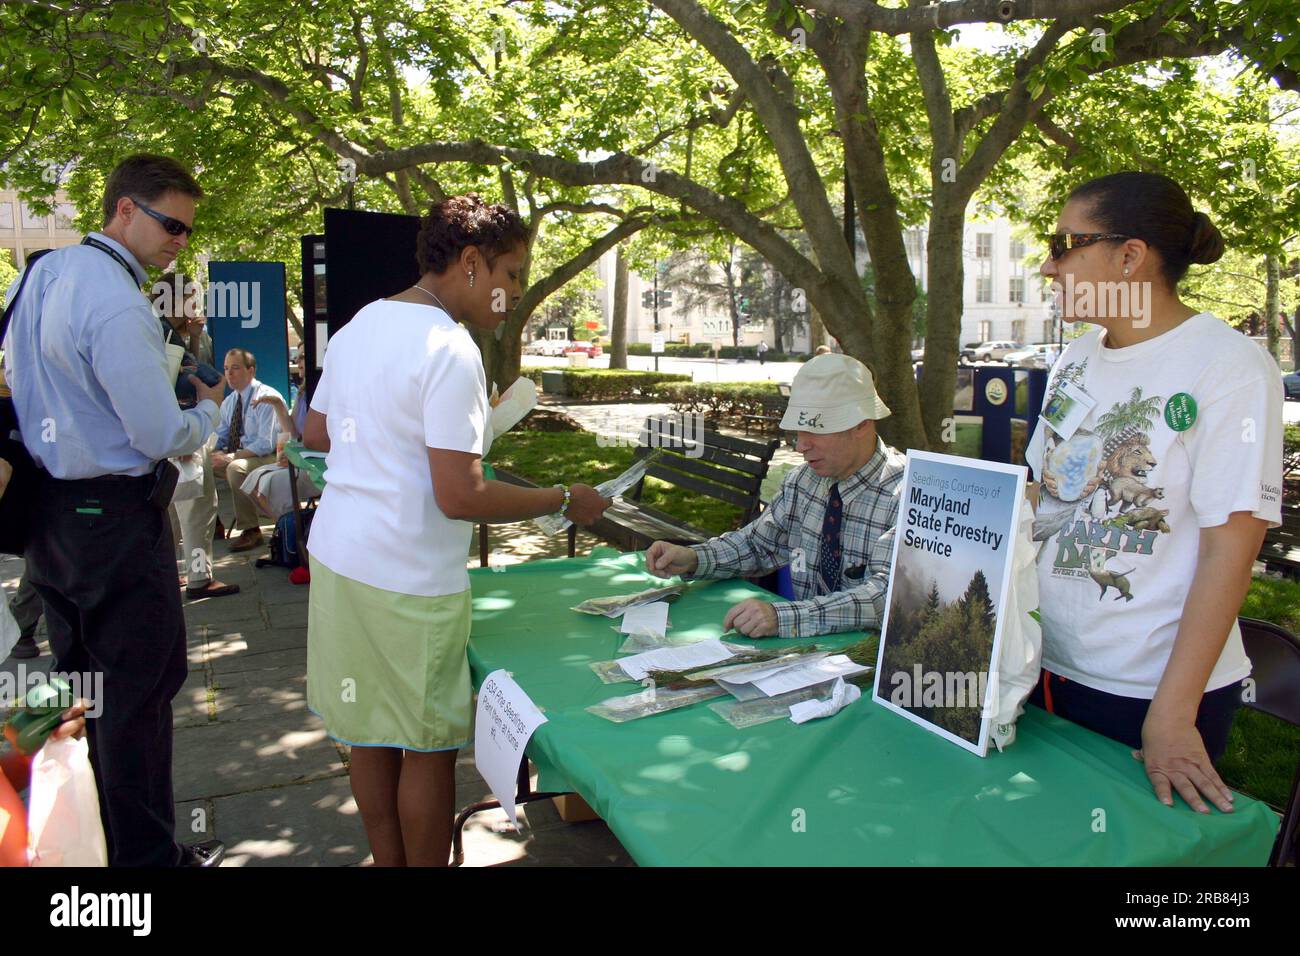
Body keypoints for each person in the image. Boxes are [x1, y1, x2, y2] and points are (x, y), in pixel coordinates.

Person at [303, 194, 612, 866]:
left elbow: (318, 431)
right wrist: (564, 498)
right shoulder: (451, 347)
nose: (514, 294)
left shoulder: (361, 323)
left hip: (337, 556)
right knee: (425, 744)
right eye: (512, 275)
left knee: (368, 734)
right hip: (407, 578)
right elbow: (459, 495)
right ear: (471, 263)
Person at [1027, 170, 1282, 814]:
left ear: (1130, 255)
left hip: (1147, 691)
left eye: (1064, 244)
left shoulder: (1229, 366)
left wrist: (1172, 714)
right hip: (1044, 663)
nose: (1049, 266)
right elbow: (1043, 493)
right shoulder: (1077, 357)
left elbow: (1233, 548)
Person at [1, 153, 227, 865]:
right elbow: (159, 433)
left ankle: (97, 843)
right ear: (124, 209)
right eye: (172, 225)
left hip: (52, 516)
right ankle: (145, 862)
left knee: (90, 688)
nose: (179, 243)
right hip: (117, 520)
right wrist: (209, 415)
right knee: (137, 698)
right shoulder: (118, 299)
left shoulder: (44, 273)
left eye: (188, 231)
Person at [646, 353, 904, 637]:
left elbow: (885, 596)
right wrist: (694, 558)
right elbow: (759, 544)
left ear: (861, 424)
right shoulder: (804, 481)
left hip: (872, 667)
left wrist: (785, 618)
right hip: (803, 656)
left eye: (816, 430)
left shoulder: (907, 493)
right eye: (797, 431)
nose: (800, 446)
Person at [157, 274, 238, 598]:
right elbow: (173, 380)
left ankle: (179, 572)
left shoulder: (166, 331)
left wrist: (193, 337)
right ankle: (199, 578)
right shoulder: (161, 334)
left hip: (185, 427)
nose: (196, 303)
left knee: (178, 510)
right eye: (191, 296)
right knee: (198, 508)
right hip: (184, 428)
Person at [212, 348, 284, 552]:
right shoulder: (230, 401)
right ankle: (213, 524)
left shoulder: (266, 397)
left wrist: (230, 457)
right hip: (242, 454)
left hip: (271, 457)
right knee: (201, 465)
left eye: (235, 368)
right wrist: (207, 451)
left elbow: (265, 444)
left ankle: (251, 530)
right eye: (226, 369)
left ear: (251, 371)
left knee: (236, 468)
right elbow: (220, 435)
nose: (229, 374)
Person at [242, 350, 320, 522]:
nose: (297, 360)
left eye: (302, 357)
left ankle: (290, 531)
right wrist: (278, 406)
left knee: (269, 484)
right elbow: (292, 434)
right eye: (297, 357)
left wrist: (295, 456)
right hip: (300, 460)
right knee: (253, 481)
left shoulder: (320, 394)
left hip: (315, 464)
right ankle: (286, 528)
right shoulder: (301, 394)